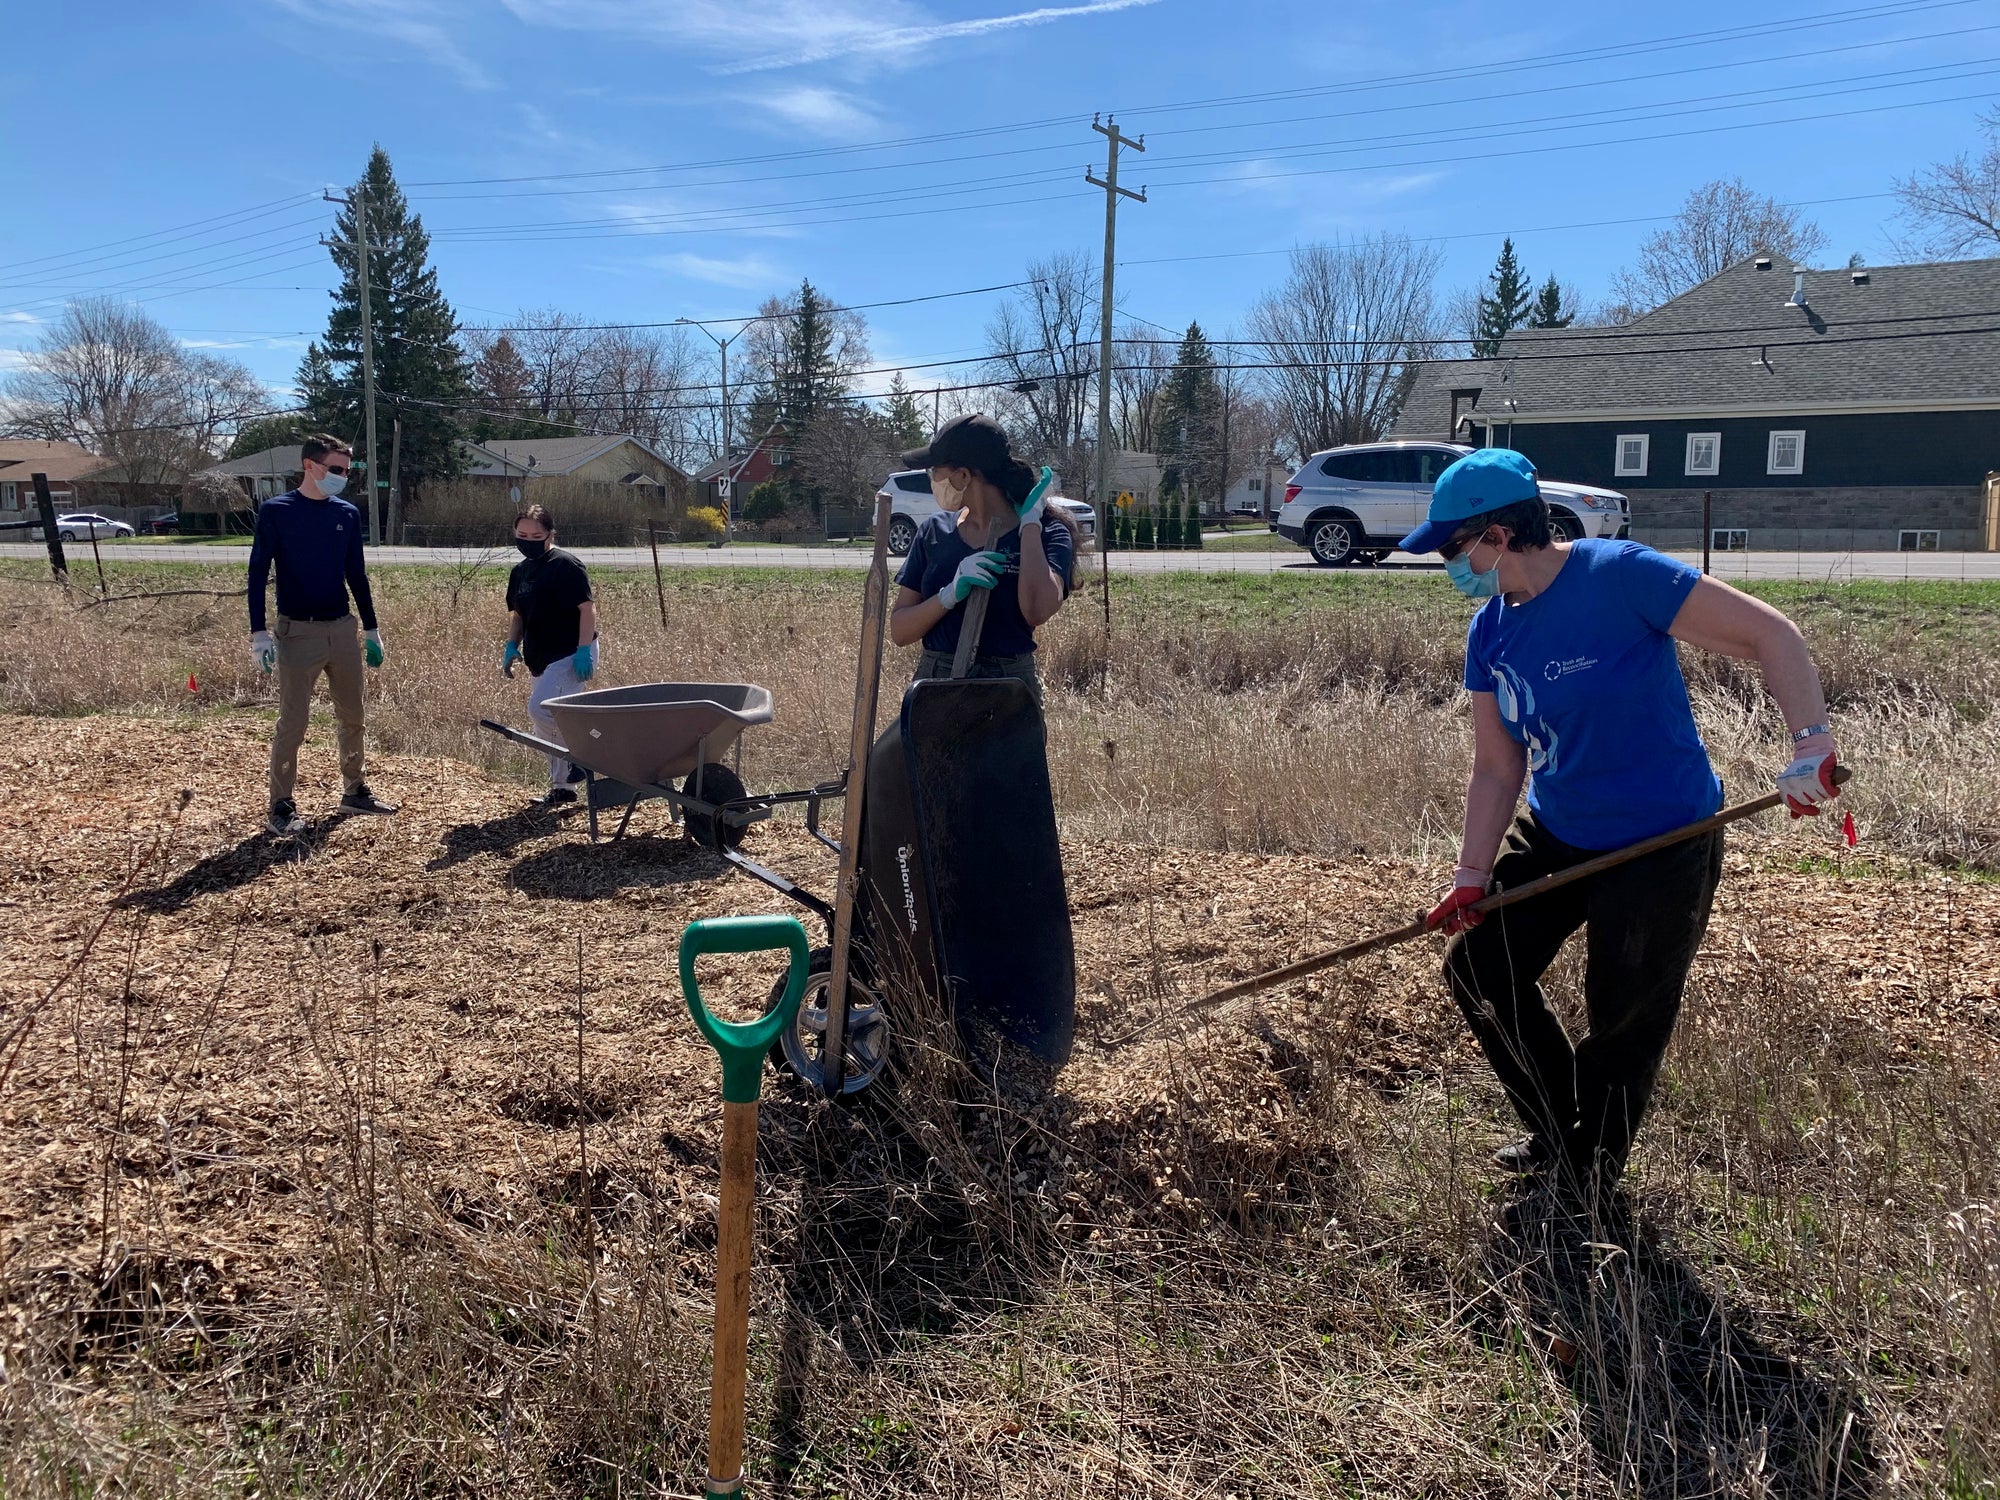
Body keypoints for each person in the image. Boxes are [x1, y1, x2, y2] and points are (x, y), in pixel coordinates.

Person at [1402, 448, 1840, 1212]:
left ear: (1497, 535)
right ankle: (1555, 1126)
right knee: (1480, 969)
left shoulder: (1620, 575)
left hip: (1662, 840)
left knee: (1622, 1012)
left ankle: (1590, 1169)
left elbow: (1772, 635)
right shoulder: (1489, 633)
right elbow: (1497, 770)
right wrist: (1470, 877)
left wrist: (1812, 746)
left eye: (1451, 548)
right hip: (1561, 829)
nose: (1449, 566)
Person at [247, 433, 396, 836]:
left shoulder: (347, 513)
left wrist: (371, 629)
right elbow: (257, 573)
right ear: (309, 465)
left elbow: (357, 575)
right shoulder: (277, 511)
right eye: (335, 469)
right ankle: (280, 806)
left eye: (347, 470)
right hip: (297, 631)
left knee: (353, 716)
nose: (342, 477)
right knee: (293, 723)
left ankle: (354, 791)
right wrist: (258, 632)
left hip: (342, 629)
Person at [888, 413, 1073, 703]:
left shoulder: (1048, 532)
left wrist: (1030, 525)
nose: (932, 479)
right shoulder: (934, 531)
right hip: (937, 684)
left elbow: (1037, 610)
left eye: (935, 470)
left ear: (963, 476)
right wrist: (948, 595)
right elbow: (900, 631)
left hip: (1009, 690)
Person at [503, 504, 600, 805]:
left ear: (550, 534)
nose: (528, 541)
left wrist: (583, 651)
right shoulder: (520, 572)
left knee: (542, 710)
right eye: (522, 535)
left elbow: (587, 609)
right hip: (539, 656)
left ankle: (581, 756)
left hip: (570, 652)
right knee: (545, 727)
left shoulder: (565, 565)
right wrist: (511, 646)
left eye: (536, 536)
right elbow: (519, 615)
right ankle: (563, 788)